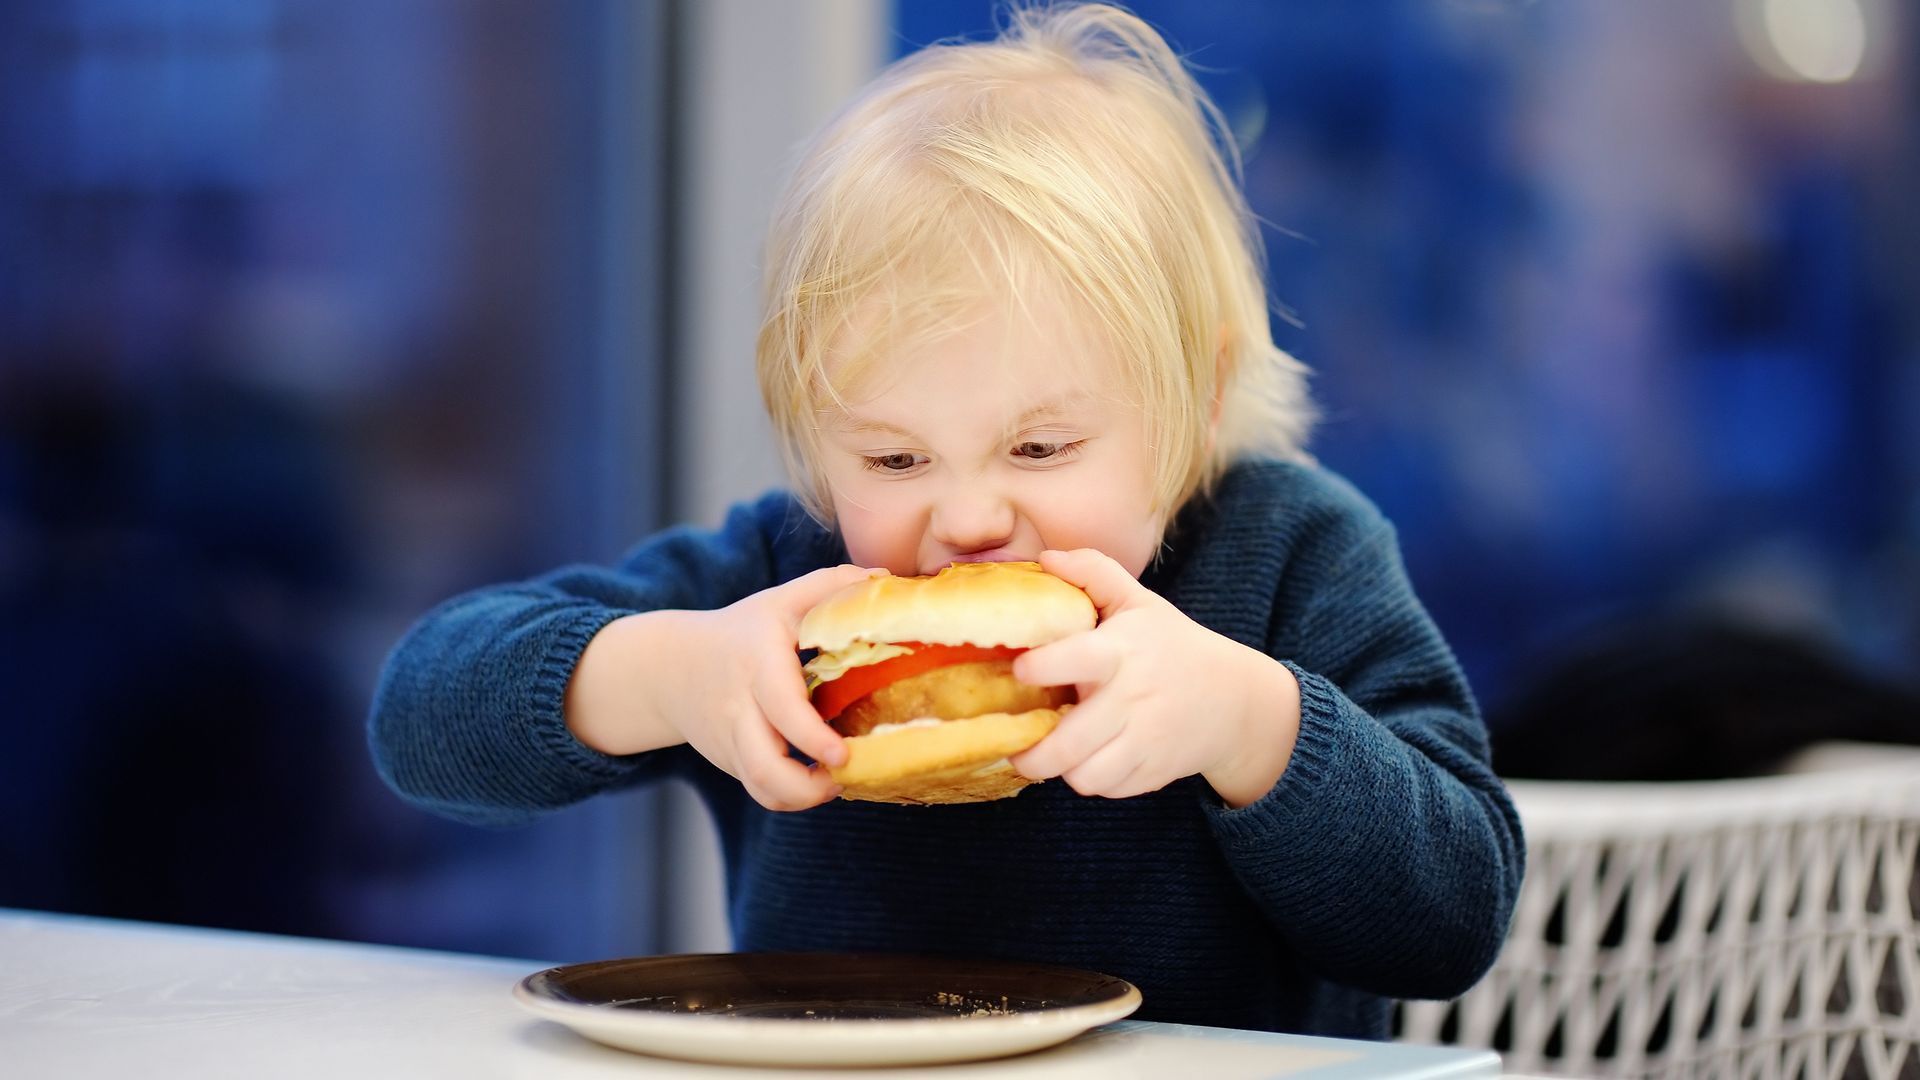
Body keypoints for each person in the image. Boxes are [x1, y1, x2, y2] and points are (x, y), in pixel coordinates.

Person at [368, 2, 1522, 1038]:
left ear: (1199, 396)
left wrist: (1256, 728)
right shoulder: (783, 582)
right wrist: (666, 676)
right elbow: (418, 718)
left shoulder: (1292, 555)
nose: (968, 518)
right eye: (894, 457)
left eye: (1040, 448)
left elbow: (1453, 921)